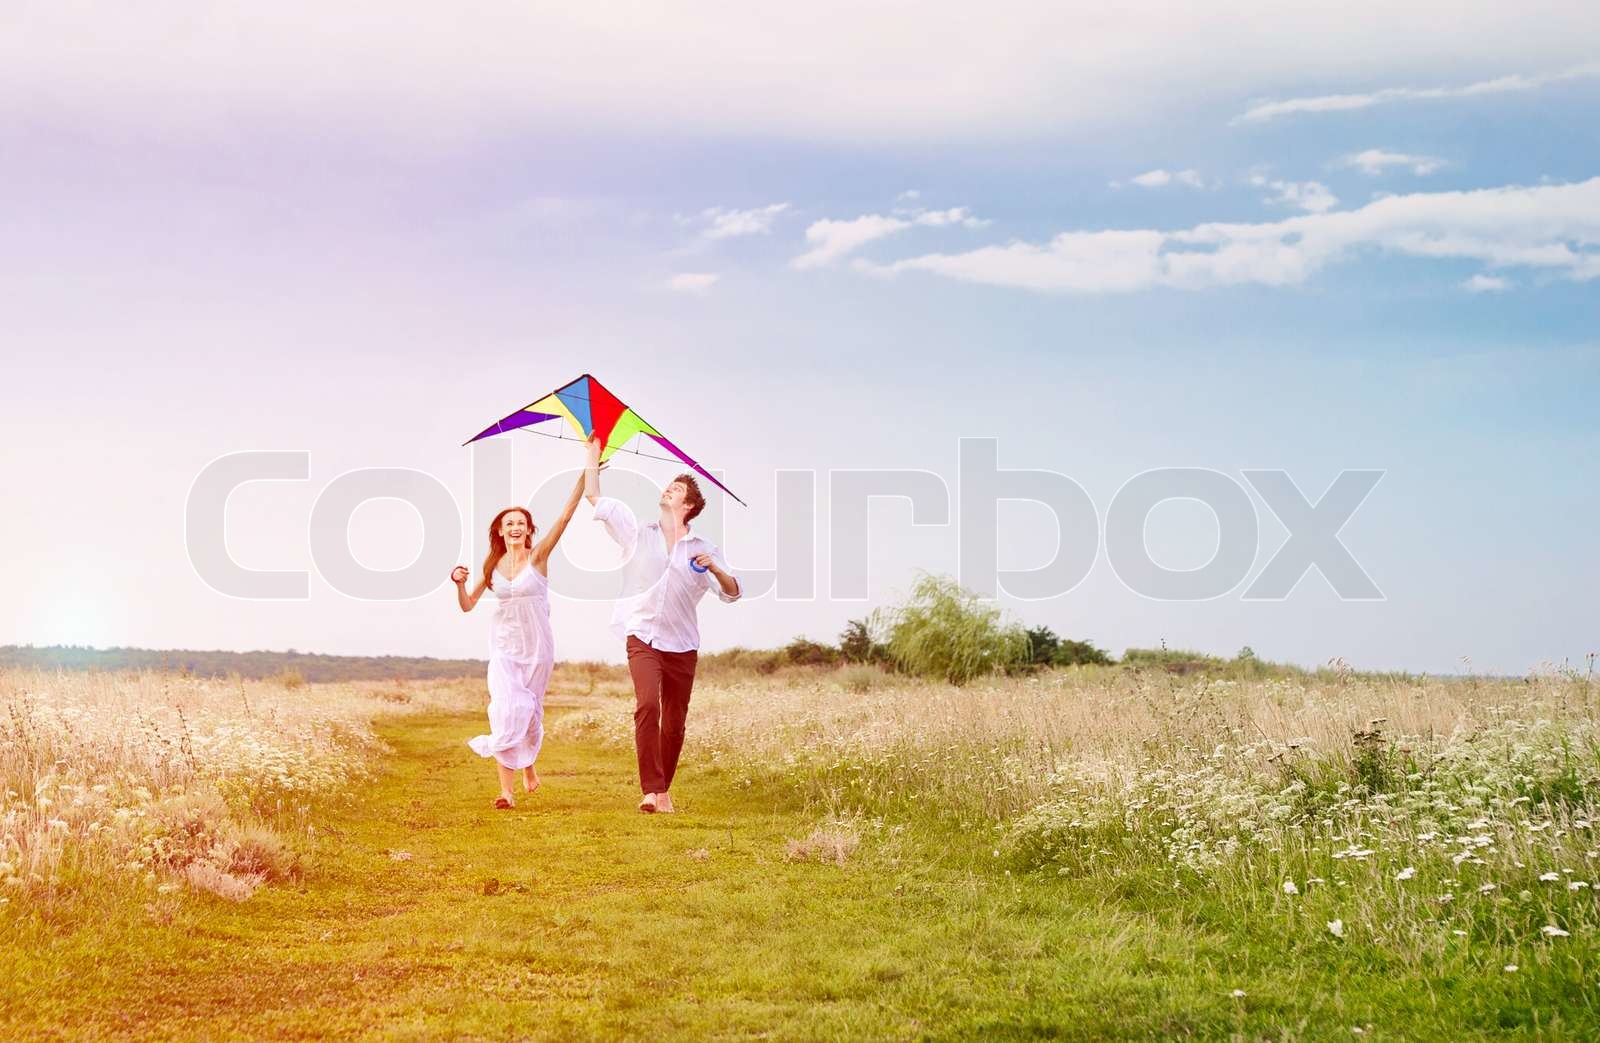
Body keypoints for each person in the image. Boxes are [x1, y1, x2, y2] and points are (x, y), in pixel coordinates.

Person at [583, 435, 741, 814]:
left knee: (674, 725)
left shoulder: (703, 547)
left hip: (682, 646)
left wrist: (715, 568)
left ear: (688, 506)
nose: (668, 490)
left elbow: (733, 593)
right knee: (646, 707)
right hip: (643, 637)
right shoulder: (639, 533)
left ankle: (664, 790)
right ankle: (651, 791)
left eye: (676, 489)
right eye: (668, 486)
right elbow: (595, 498)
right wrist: (591, 456)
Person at [451, 472, 586, 809]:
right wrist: (457, 583)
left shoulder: (538, 557)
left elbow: (566, 515)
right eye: (509, 522)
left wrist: (589, 469)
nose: (515, 527)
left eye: (521, 523)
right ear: (499, 530)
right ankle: (505, 793)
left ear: (528, 530)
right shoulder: (491, 565)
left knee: (528, 711)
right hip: (504, 648)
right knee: (504, 710)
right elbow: (468, 605)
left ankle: (528, 766)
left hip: (537, 648)